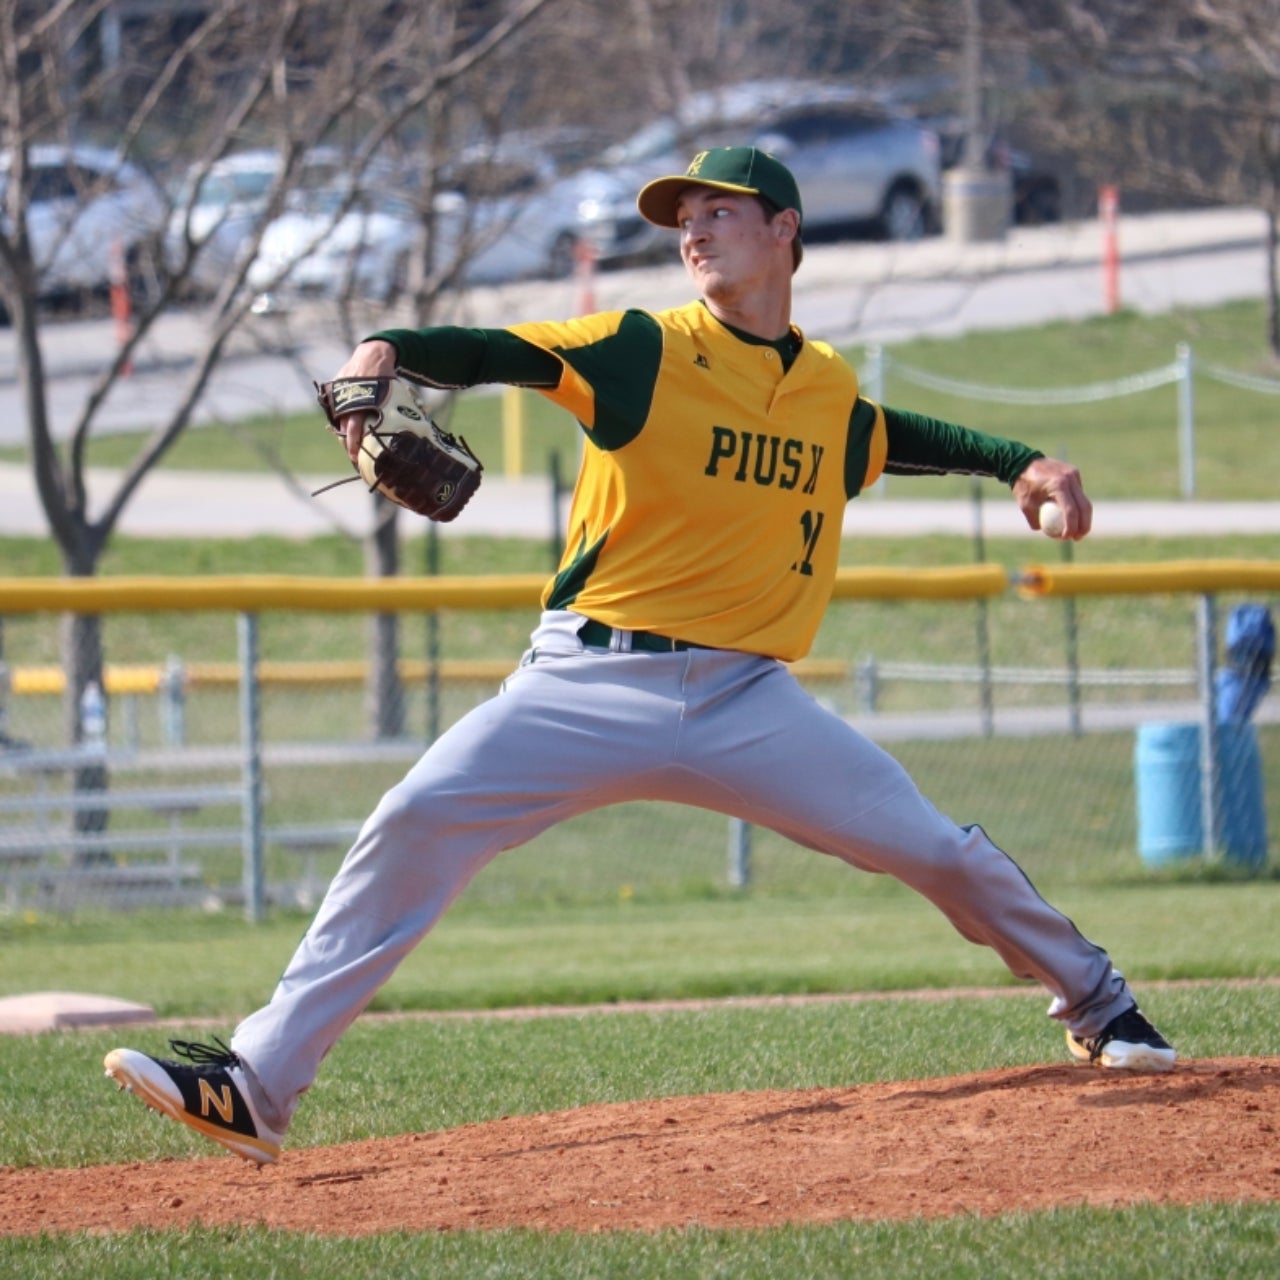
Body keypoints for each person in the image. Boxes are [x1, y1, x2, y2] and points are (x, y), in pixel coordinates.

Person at [104, 145, 1175, 1165]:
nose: (693, 232)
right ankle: (255, 1082)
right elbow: (499, 352)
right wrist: (389, 345)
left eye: (717, 211)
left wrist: (1020, 463)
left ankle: (1098, 1001)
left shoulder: (824, 387)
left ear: (782, 229)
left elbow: (895, 433)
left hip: (748, 698)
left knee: (932, 848)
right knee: (416, 818)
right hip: (585, 680)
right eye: (681, 218)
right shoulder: (643, 347)